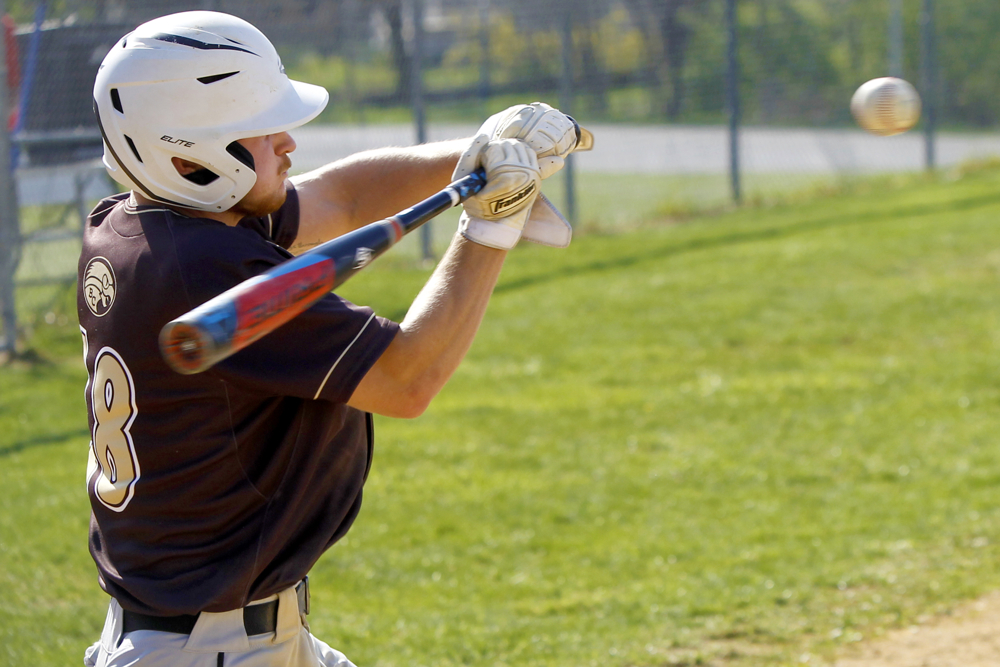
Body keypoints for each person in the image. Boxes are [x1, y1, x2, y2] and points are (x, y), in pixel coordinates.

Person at [79, 11, 585, 667]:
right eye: (261, 130)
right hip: (209, 646)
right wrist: (487, 230)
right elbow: (406, 378)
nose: (288, 141)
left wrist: (481, 154)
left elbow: (343, 199)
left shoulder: (130, 227)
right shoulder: (208, 273)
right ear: (187, 154)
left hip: (212, 631)